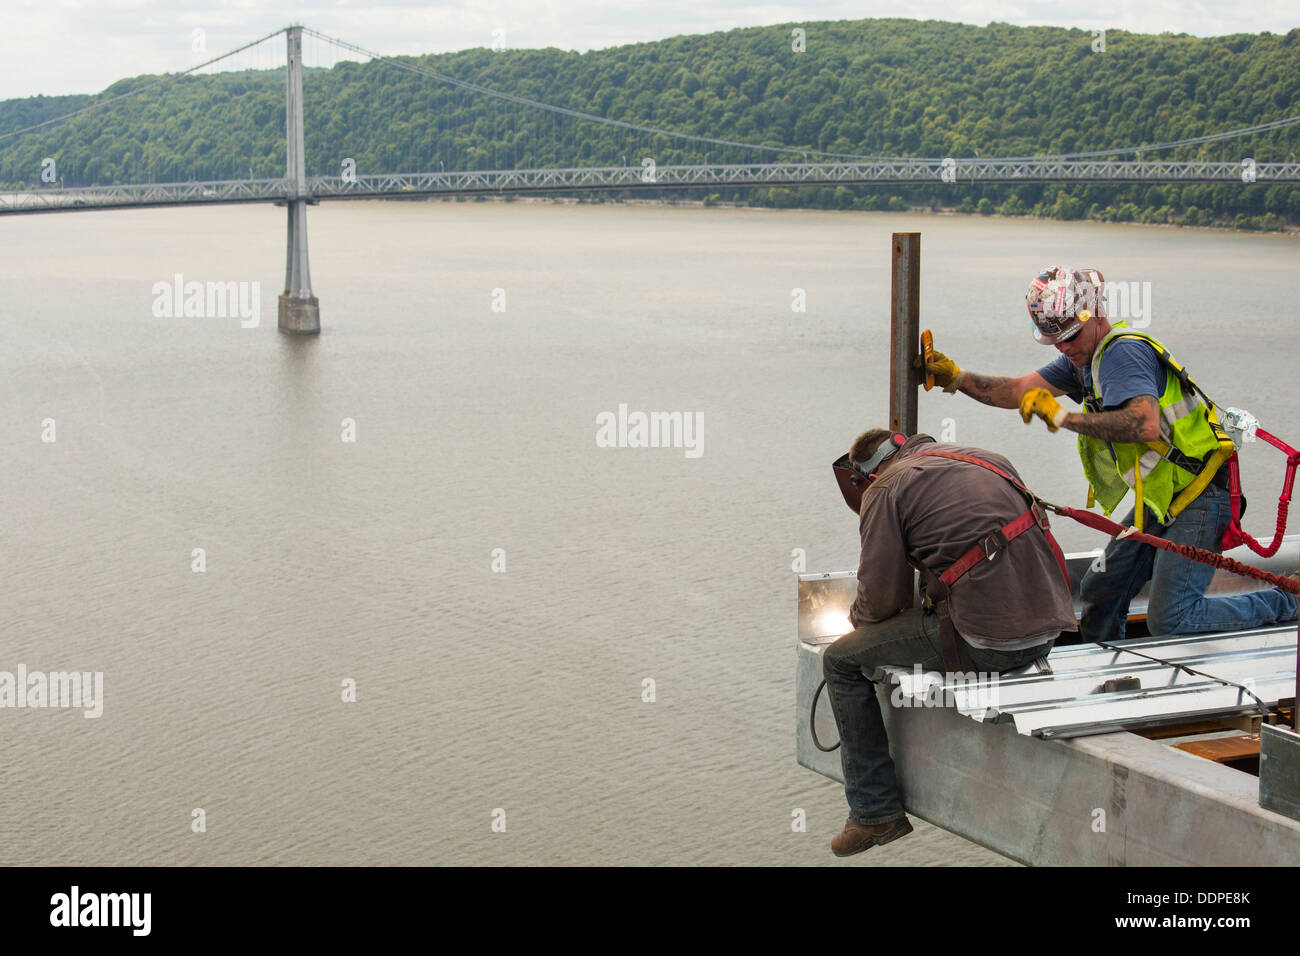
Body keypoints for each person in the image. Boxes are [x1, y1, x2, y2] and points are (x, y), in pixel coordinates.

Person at [920, 265, 1297, 642]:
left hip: (1201, 495)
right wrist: (956, 378)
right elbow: (1018, 390)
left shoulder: (1122, 354)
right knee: (1101, 593)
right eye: (1056, 341)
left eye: (1071, 336)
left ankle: (1288, 604)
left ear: (1097, 313)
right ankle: (1112, 672)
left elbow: (1143, 423)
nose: (1065, 347)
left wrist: (1065, 418)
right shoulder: (1084, 359)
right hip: (1165, 497)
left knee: (1172, 618)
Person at [823, 429, 1076, 857]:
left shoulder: (884, 489)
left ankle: (873, 811)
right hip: (1049, 632)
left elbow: (881, 602)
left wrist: (858, 628)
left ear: (863, 475)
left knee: (840, 661)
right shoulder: (985, 456)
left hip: (989, 644)